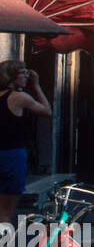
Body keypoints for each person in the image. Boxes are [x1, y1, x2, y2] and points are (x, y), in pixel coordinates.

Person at [0, 61, 52, 225]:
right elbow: (46, 111)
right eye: (22, 73)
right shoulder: (19, 97)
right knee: (6, 212)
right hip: (12, 155)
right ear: (11, 76)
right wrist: (36, 86)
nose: (26, 76)